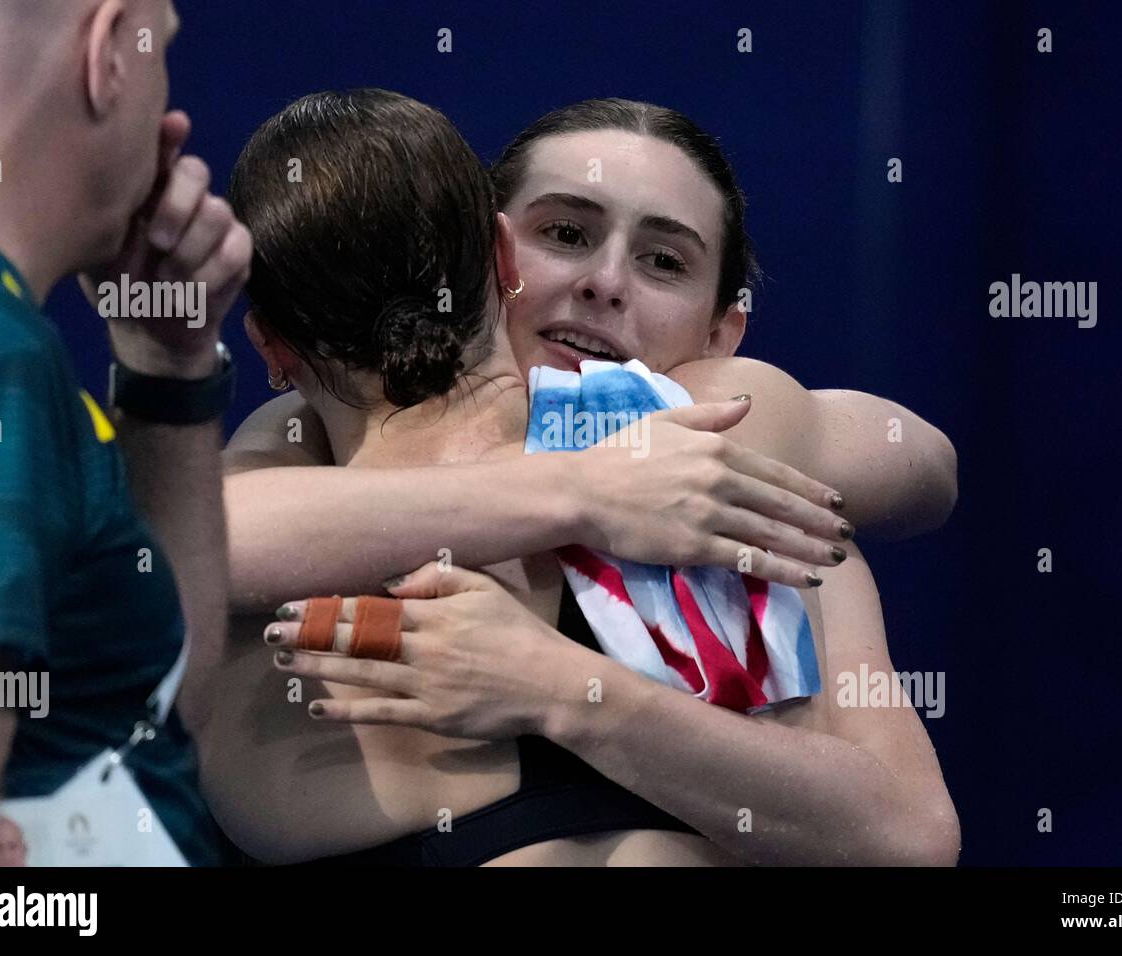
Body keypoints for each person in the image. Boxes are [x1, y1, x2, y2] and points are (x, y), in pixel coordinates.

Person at [200, 89, 958, 866]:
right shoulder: (292, 466)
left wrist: (559, 686)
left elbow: (909, 842)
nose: (605, 282)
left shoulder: (755, 480)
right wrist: (584, 491)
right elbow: (208, 539)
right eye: (565, 233)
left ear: (720, 335)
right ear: (496, 254)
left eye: (663, 261)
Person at [0, 0, 250, 865]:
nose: (174, 120)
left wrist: (170, 372)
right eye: (163, 58)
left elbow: (151, 708)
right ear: (110, 52)